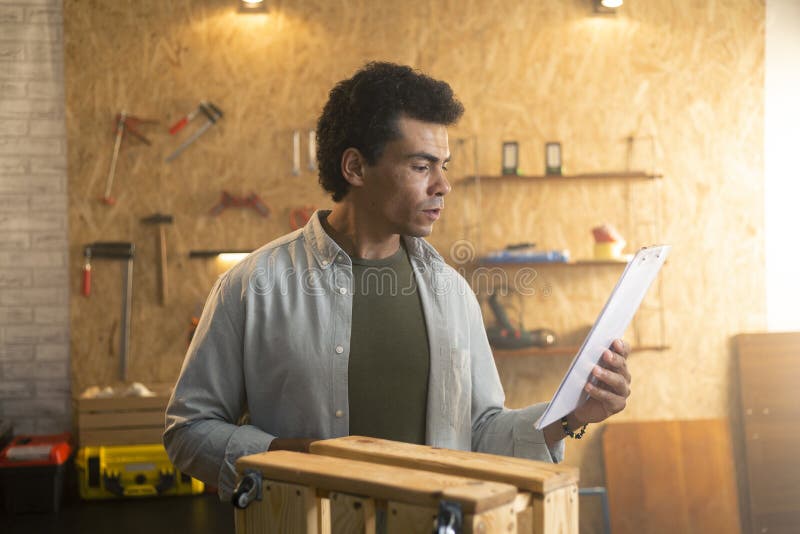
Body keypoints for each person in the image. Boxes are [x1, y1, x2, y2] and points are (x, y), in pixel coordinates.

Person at [163, 62, 632, 500]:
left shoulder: (452, 293)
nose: (443, 186)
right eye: (421, 166)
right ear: (355, 168)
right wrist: (285, 458)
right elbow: (188, 430)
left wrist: (570, 415)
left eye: (443, 166)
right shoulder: (253, 286)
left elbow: (480, 431)